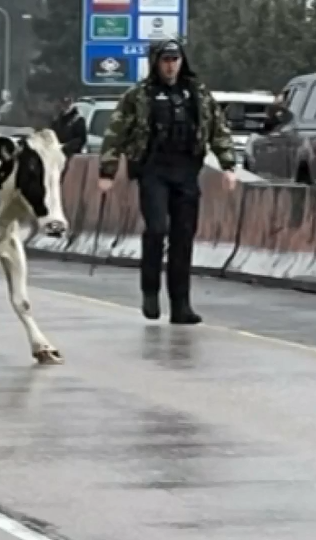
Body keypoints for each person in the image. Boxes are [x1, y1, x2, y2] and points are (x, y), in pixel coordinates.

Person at [97, 39, 238, 325]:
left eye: (175, 59)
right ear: (155, 63)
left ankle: (181, 305)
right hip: (153, 170)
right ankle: (150, 291)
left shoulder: (197, 93)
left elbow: (217, 129)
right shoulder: (139, 96)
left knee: (183, 238)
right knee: (157, 228)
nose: (170, 65)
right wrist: (107, 172)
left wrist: (228, 165)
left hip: (186, 171)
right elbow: (116, 133)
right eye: (165, 60)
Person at [50, 94, 88, 164]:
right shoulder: (56, 121)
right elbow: (52, 135)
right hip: (58, 157)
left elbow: (81, 139)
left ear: (72, 103)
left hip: (73, 158)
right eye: (63, 102)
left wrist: (66, 146)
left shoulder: (78, 120)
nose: (66, 106)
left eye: (68, 102)